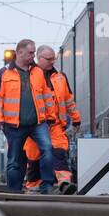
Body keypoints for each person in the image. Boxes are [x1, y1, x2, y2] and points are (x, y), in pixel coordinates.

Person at [0, 39, 56, 193]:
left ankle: (47, 185)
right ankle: (14, 190)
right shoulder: (4, 73)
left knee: (47, 149)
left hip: (37, 123)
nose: (33, 56)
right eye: (30, 53)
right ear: (19, 53)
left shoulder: (38, 72)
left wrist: (51, 115)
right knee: (15, 159)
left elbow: (46, 95)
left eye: (34, 52)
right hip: (14, 125)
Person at [36, 44, 81, 186]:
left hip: (56, 125)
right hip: (36, 125)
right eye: (48, 59)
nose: (52, 62)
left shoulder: (61, 78)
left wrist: (76, 119)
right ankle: (36, 186)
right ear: (39, 58)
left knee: (60, 151)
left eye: (53, 59)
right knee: (35, 156)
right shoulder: (31, 76)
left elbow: (69, 100)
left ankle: (64, 183)